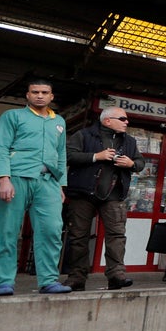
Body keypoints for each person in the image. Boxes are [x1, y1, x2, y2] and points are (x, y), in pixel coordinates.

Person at [0, 80, 71, 296]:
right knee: (7, 230)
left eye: (45, 92)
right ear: (27, 95)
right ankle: (3, 282)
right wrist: (3, 179)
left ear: (52, 96)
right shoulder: (12, 116)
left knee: (52, 230)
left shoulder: (59, 121)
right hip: (16, 177)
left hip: (49, 182)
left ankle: (48, 280)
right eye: (35, 92)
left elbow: (61, 155)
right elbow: (1, 148)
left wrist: (61, 184)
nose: (40, 96)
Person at [63, 106, 146, 291]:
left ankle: (117, 275)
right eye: (122, 119)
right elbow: (67, 156)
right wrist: (96, 156)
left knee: (117, 235)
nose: (127, 122)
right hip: (83, 193)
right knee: (78, 236)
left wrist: (131, 164)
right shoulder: (84, 135)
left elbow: (141, 162)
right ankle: (76, 277)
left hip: (114, 195)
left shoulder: (129, 141)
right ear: (107, 120)